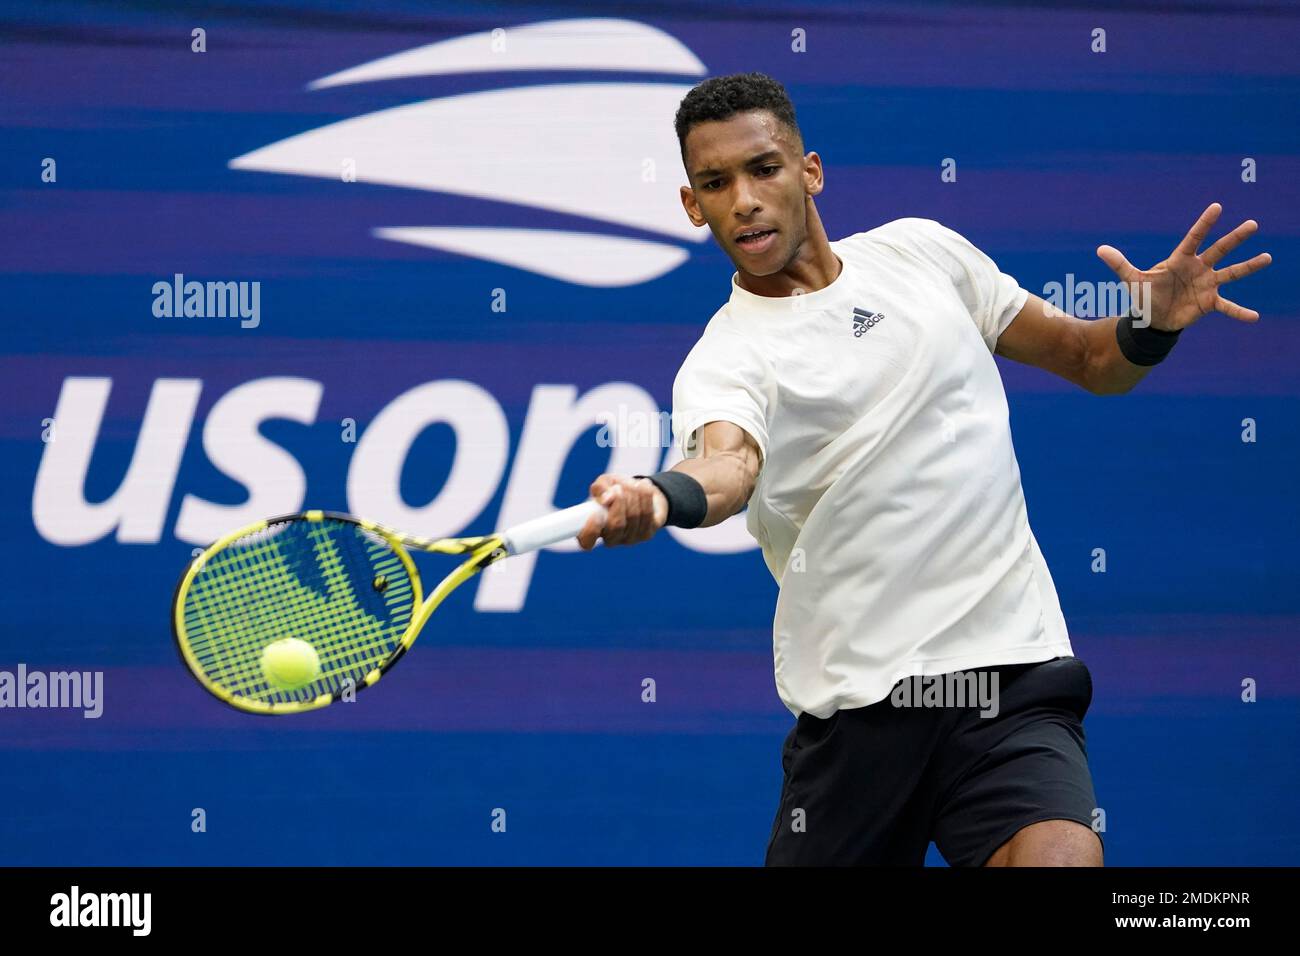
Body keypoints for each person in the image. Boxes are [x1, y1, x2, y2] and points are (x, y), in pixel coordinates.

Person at [576, 72, 1271, 866]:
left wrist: (1148, 325)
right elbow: (726, 465)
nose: (743, 199)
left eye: (763, 169)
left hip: (1008, 676)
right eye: (715, 184)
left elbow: (1090, 357)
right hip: (859, 715)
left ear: (810, 171)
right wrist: (661, 497)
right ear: (692, 206)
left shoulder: (922, 252)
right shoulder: (727, 359)